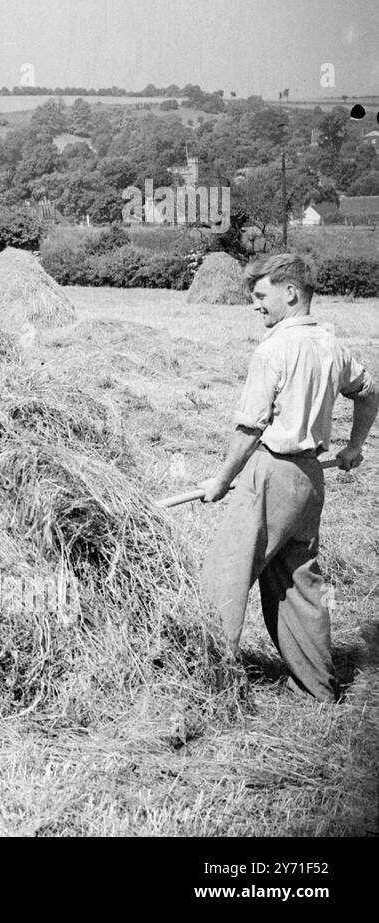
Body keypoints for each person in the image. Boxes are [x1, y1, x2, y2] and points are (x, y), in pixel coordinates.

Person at [199, 253, 377, 701]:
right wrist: (353, 447)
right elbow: (370, 393)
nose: (254, 306)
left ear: (291, 292)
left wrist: (221, 482)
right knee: (300, 583)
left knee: (226, 575)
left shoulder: (273, 349)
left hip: (273, 474)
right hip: (310, 479)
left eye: (261, 296)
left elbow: (249, 429)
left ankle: (205, 683)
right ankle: (319, 688)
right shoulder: (332, 344)